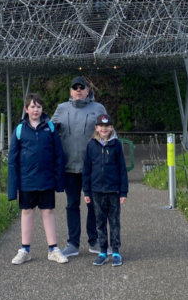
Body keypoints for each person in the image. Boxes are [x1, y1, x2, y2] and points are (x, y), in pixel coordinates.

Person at [7, 93, 68, 264]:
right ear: (26, 109)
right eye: (32, 106)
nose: (36, 110)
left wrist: (59, 181)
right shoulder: (19, 129)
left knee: (48, 212)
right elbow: (12, 159)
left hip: (47, 179)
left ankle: (53, 249)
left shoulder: (50, 127)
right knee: (27, 212)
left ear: (42, 109)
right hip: (27, 180)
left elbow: (59, 155)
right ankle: (25, 250)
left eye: (39, 106)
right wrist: (13, 187)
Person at [51, 75, 108, 256]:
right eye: (75, 88)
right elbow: (49, 134)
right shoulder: (62, 109)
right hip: (69, 167)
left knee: (94, 205)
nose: (78, 90)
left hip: (93, 167)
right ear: (70, 91)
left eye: (81, 87)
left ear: (87, 91)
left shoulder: (98, 108)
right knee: (72, 204)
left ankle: (94, 240)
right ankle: (73, 243)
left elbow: (108, 134)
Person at [82, 113, 128, 266]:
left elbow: (122, 169)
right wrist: (86, 191)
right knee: (100, 221)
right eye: (101, 126)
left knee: (114, 221)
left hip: (113, 190)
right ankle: (102, 251)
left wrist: (123, 191)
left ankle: (115, 251)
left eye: (107, 126)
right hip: (96, 191)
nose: (104, 129)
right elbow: (87, 169)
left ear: (111, 128)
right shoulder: (91, 145)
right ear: (96, 128)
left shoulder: (116, 145)